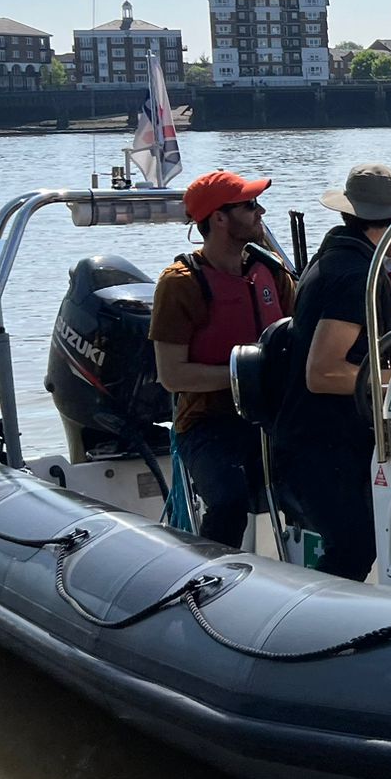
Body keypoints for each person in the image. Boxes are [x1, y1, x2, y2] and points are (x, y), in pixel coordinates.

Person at [269, 164, 391, 581]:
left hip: (322, 440)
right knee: (355, 548)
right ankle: (307, 631)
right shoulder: (355, 276)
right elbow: (322, 372)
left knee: (362, 544)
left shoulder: (337, 258)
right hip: (324, 445)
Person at [149, 170, 295, 549]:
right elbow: (171, 375)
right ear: (218, 218)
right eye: (248, 205)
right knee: (230, 503)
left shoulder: (272, 272)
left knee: (328, 479)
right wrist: (245, 375)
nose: (260, 210)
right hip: (208, 423)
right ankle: (206, 582)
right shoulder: (181, 283)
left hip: (273, 417)